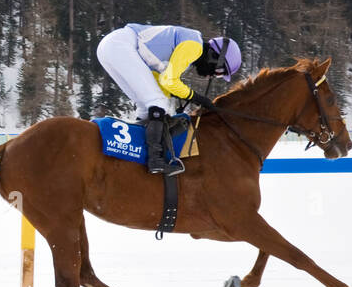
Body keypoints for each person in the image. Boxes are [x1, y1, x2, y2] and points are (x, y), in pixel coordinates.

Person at [96, 23, 242, 175]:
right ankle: (155, 160)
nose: (212, 76)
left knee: (148, 106)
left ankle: (136, 155)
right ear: (214, 57)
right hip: (121, 45)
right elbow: (168, 80)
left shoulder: (189, 49)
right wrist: (195, 97)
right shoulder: (195, 46)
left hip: (111, 47)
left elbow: (160, 82)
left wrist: (176, 99)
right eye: (219, 71)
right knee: (156, 102)